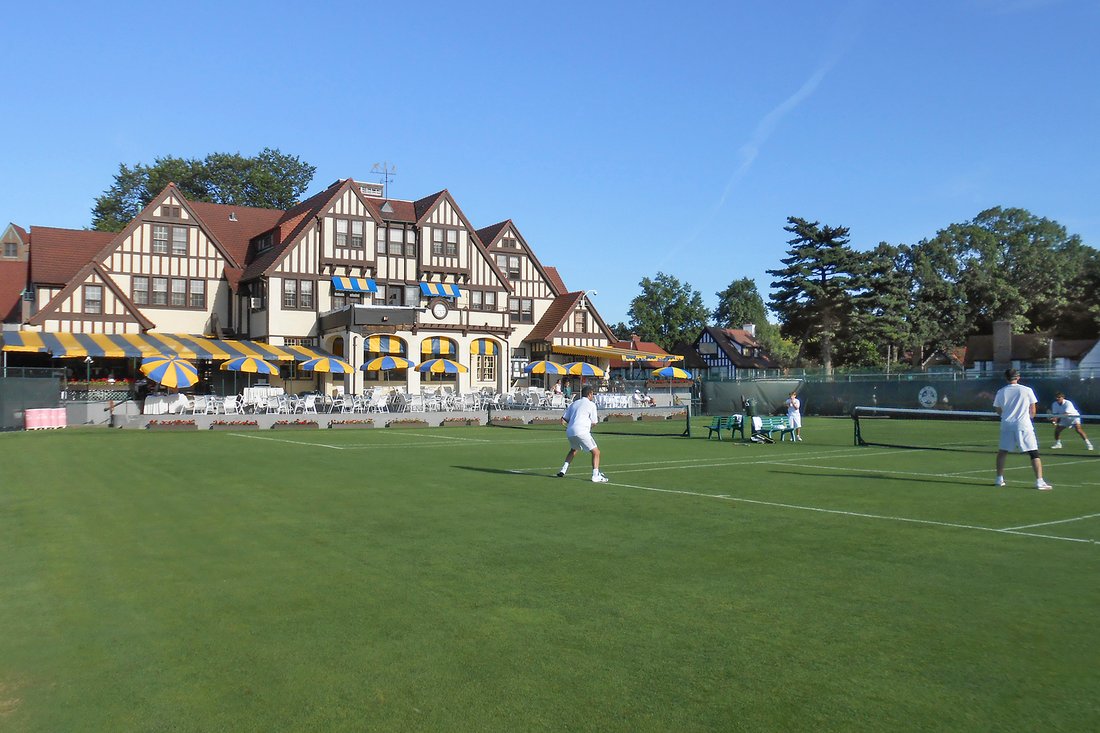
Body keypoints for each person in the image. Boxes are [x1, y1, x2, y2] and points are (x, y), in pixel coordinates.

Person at [993, 368, 1052, 490]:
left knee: (1002, 451)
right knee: (1033, 452)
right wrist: (1028, 419)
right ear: (1018, 377)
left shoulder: (1001, 391)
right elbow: (1033, 410)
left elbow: (998, 410)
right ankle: (1039, 482)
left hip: (1006, 425)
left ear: (1006, 378)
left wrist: (1006, 416)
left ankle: (999, 479)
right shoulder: (1027, 390)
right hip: (1023, 425)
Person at [557, 385, 609, 482]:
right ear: (589, 394)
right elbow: (594, 422)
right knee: (596, 452)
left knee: (573, 450)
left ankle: (563, 470)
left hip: (570, 431)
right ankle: (595, 476)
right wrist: (587, 427)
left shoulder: (574, 403)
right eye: (592, 394)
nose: (592, 396)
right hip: (582, 431)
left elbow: (564, 419)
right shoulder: (591, 405)